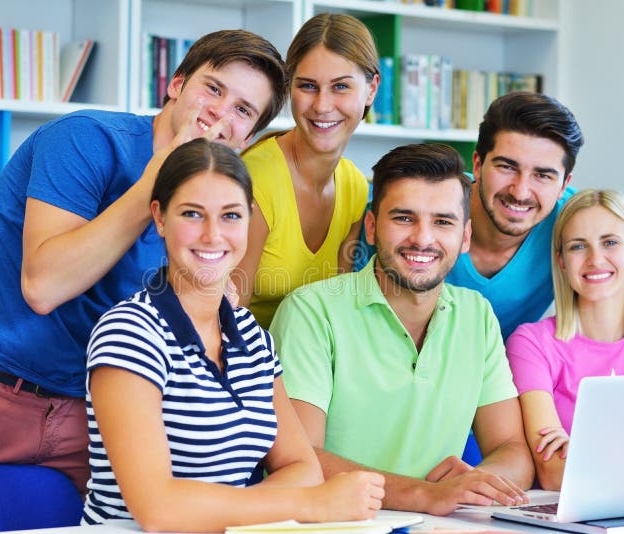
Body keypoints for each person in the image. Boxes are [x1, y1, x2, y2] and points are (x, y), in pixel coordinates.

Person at [0, 29, 287, 524]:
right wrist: (151, 185)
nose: (220, 113)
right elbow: (44, 286)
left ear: (247, 137)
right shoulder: (86, 139)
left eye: (243, 110)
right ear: (176, 84)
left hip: (85, 410)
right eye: (213, 89)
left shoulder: (199, 208)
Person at [82, 138, 384, 530]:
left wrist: (225, 508)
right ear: (159, 218)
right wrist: (310, 505)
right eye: (192, 214)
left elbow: (301, 467)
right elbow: (158, 511)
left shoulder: (252, 337)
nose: (212, 235)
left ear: (249, 219)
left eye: (230, 215)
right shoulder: (129, 334)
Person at [270, 143, 534, 516]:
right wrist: (425, 495)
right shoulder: (312, 312)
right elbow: (300, 461)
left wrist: (473, 483)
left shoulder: (477, 315)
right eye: (404, 218)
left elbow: (513, 450)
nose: (423, 239)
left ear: (465, 237)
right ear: (372, 228)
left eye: (443, 222)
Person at [356, 91, 584, 340]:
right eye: (506, 167)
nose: (520, 191)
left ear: (564, 184)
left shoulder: (577, 224)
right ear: (477, 163)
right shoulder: (404, 212)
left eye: (543, 175)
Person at [505, 188, 624, 491]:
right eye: (578, 246)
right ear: (562, 262)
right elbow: (553, 472)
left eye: (610, 242)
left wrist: (580, 452)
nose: (595, 259)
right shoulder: (531, 345)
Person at [236, 13, 379, 328]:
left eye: (340, 86)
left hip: (308, 358)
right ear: (290, 88)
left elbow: (335, 310)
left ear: (371, 90)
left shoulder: (355, 186)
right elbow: (228, 319)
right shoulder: (256, 178)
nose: (322, 105)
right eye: (308, 86)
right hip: (250, 366)